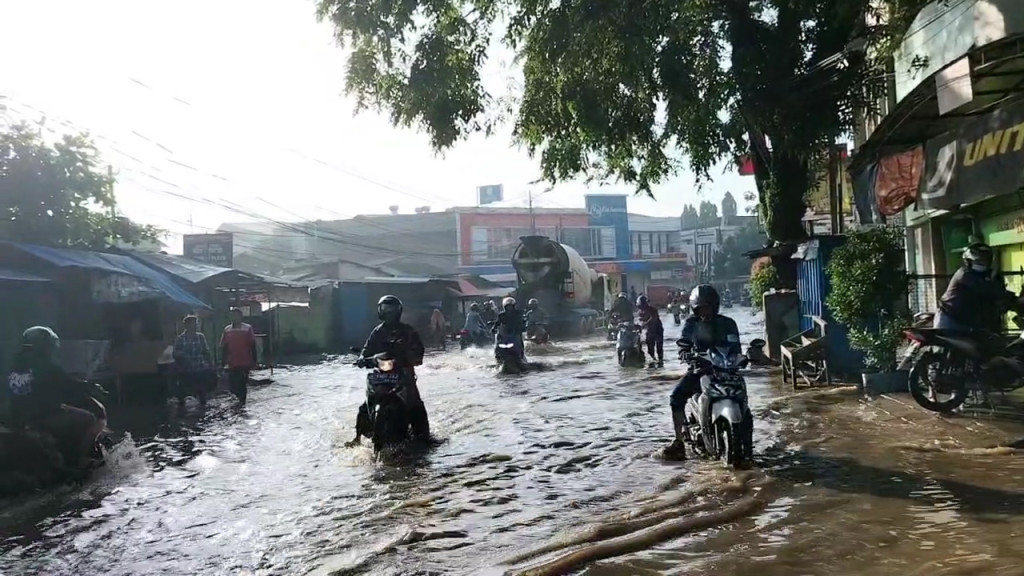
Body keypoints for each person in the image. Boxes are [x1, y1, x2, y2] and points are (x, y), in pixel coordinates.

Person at [4, 327, 103, 468]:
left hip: (16, 419)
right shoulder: (45, 366)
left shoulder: (15, 364)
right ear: (44, 346)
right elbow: (68, 385)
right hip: (43, 417)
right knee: (89, 419)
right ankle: (81, 460)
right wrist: (90, 387)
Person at [665, 285, 742, 460]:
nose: (705, 311)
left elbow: (736, 346)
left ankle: (744, 433)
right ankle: (678, 441)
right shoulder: (692, 324)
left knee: (744, 401)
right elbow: (684, 341)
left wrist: (742, 357)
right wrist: (685, 352)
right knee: (675, 398)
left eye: (708, 306)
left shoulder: (728, 323)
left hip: (726, 371)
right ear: (695, 308)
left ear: (715, 306)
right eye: (702, 308)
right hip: (700, 370)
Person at [352, 295, 429, 442]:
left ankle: (424, 436)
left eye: (392, 309)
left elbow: (419, 352)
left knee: (416, 405)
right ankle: (357, 437)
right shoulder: (377, 332)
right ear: (380, 311)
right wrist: (362, 359)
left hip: (403, 374)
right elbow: (367, 349)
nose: (389, 313)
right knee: (365, 405)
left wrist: (408, 359)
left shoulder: (408, 331)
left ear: (398, 311)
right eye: (385, 309)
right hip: (382, 376)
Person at [935, 242, 1024, 332]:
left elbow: (999, 294)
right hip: (951, 319)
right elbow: (989, 290)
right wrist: (1014, 299)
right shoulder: (965, 274)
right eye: (978, 260)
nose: (982, 263)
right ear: (968, 261)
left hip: (973, 322)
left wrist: (1015, 304)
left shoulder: (992, 275)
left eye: (985, 260)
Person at [173, 315, 214, 407]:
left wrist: (211, 365)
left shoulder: (200, 337)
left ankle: (202, 412)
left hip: (199, 368)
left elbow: (206, 351)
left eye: (196, 324)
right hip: (186, 370)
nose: (195, 326)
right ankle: (182, 413)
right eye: (193, 324)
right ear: (187, 326)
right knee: (183, 394)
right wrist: (182, 354)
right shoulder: (180, 338)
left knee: (202, 393)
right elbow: (175, 353)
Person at [220, 308, 257, 406]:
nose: (235, 317)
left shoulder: (247, 328)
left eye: (237, 315)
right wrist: (223, 362)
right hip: (232, 362)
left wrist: (254, 360)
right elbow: (224, 346)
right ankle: (239, 401)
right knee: (233, 386)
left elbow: (253, 345)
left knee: (242, 384)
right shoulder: (227, 329)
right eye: (233, 315)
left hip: (245, 361)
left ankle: (242, 404)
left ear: (241, 317)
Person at [637, 295, 665, 367]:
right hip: (650, 330)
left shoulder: (653, 310)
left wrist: (645, 323)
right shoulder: (640, 312)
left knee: (659, 347)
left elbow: (653, 318)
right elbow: (640, 321)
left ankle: (660, 361)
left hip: (658, 329)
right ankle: (653, 359)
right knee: (650, 347)